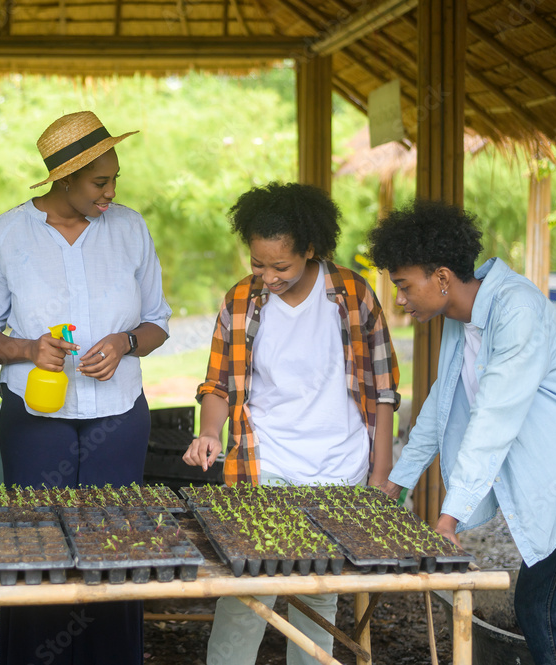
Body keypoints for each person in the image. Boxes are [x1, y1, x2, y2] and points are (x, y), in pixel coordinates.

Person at [367, 199, 556, 665]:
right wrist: (395, 484)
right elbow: (440, 410)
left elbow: (494, 419)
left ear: (442, 278)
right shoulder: (461, 323)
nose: (399, 299)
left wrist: (449, 519)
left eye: (403, 286)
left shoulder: (515, 308)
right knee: (539, 609)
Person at [0, 110, 172, 665]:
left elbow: (157, 320)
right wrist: (29, 349)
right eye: (99, 182)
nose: (110, 192)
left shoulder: (130, 228)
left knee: (115, 547)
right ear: (64, 177)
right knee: (35, 547)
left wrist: (126, 343)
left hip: (119, 414)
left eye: (114, 180)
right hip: (36, 418)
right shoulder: (8, 235)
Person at [183, 182, 400, 665]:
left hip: (339, 467)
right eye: (258, 264)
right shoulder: (240, 301)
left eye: (280, 266)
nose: (267, 276)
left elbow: (383, 392)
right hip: (265, 464)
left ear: (310, 249)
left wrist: (381, 476)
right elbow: (218, 383)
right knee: (247, 588)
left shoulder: (352, 294)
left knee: (317, 595)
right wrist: (209, 433)